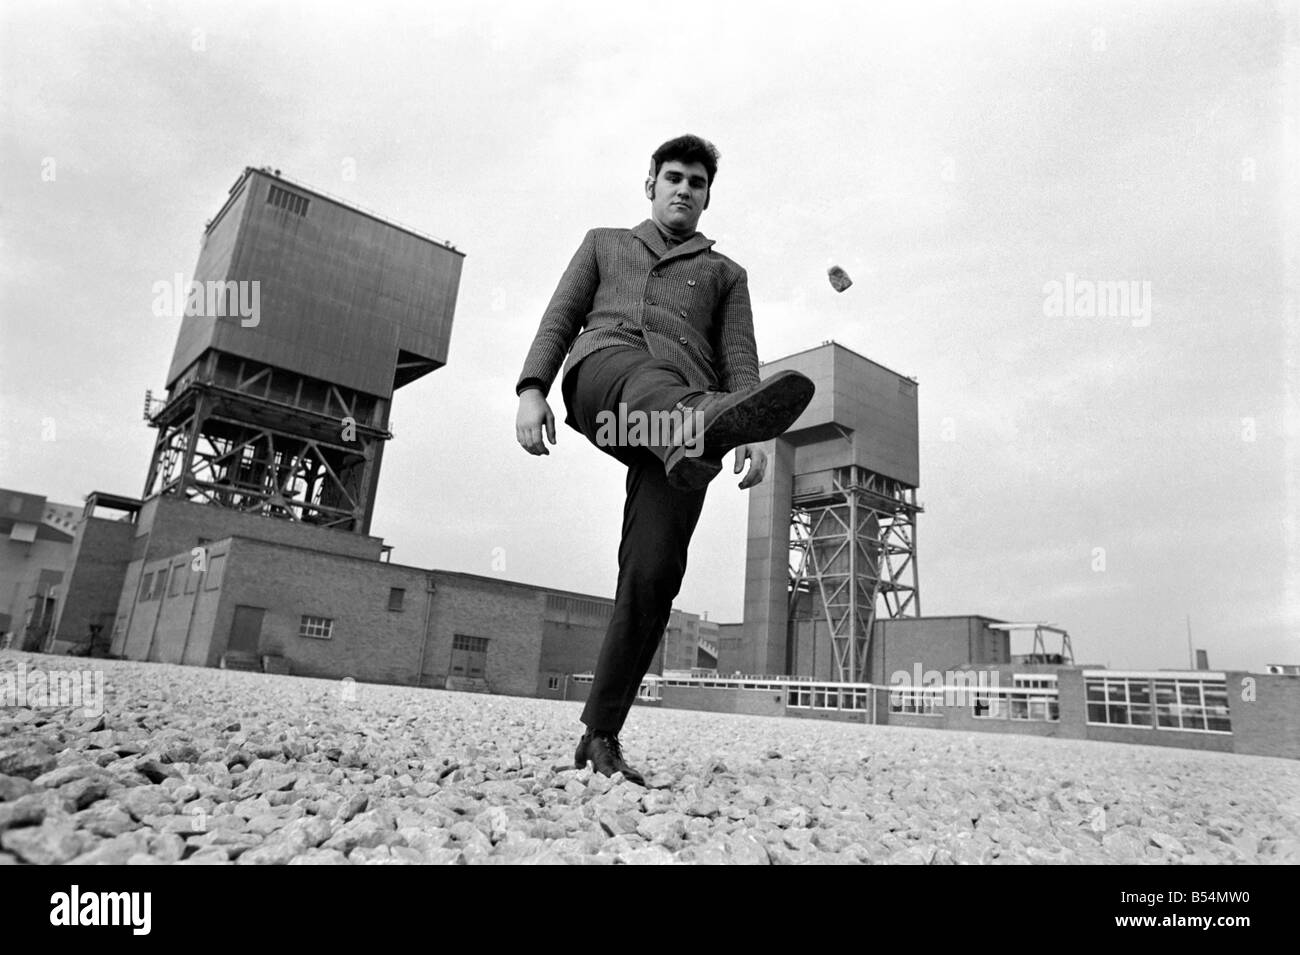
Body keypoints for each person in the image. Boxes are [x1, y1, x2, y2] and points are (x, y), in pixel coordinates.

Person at [514, 134, 814, 785]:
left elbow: (740, 361)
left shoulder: (726, 274)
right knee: (651, 389)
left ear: (708, 197)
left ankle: (601, 736)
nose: (684, 189)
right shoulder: (603, 243)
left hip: (690, 426)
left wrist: (754, 432)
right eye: (673, 177)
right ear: (649, 181)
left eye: (697, 183)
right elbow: (560, 317)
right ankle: (700, 427)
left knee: (653, 572)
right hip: (607, 379)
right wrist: (532, 387)